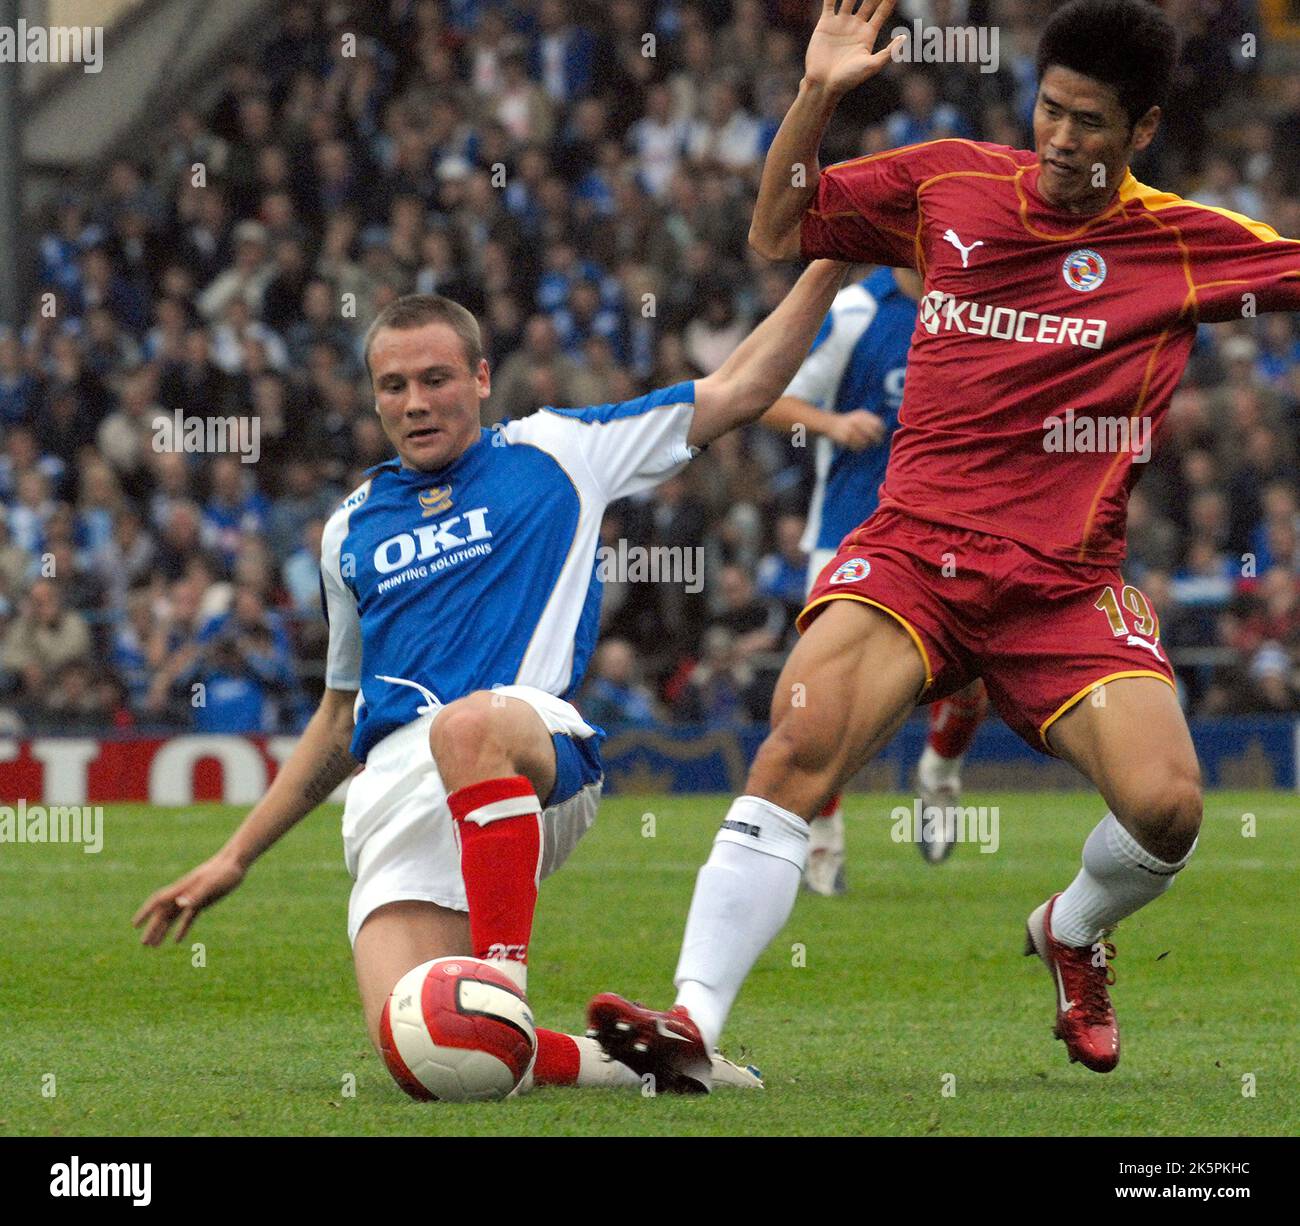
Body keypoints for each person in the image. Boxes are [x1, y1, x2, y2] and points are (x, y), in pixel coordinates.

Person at [586, 0, 1300, 1089]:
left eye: (1092, 123)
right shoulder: (948, 182)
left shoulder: (1182, 245)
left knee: (1166, 810)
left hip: (1062, 586)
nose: (1061, 139)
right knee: (798, 739)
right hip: (916, 553)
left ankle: (1070, 928)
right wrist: (818, 95)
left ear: (1141, 131)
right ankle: (692, 1020)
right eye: (1049, 110)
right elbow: (778, 230)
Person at [134, 262, 850, 1094]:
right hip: (395, 801)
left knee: (466, 728)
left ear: (479, 379)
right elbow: (338, 721)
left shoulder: (559, 449)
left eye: (436, 379)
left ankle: (503, 977)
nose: (415, 402)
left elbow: (740, 387)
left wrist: (830, 264)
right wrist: (236, 857)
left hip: (526, 751)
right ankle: (662, 1072)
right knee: (434, 1055)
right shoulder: (346, 533)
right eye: (393, 385)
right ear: (373, 398)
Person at [761, 261, 987, 887]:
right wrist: (832, 424)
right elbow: (766, 394)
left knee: (971, 683)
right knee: (825, 697)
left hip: (947, 531)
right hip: (847, 531)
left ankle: (939, 773)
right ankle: (824, 834)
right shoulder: (856, 311)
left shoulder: (980, 305)